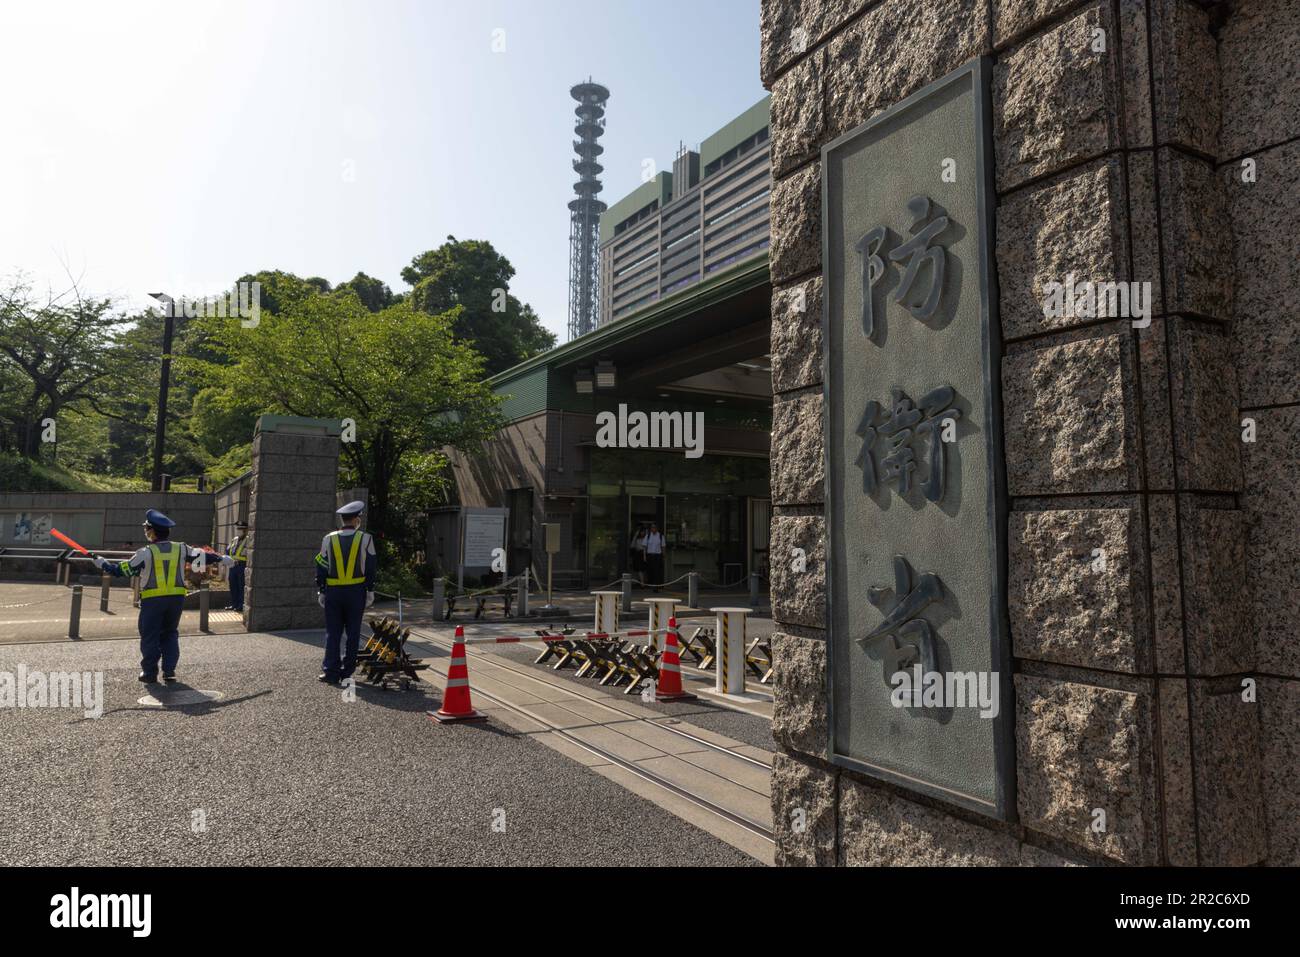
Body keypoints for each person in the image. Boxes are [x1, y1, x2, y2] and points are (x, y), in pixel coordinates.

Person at [95, 509, 234, 684]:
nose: (145, 532)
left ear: (152, 531)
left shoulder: (145, 552)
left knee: (150, 635)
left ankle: (150, 673)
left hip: (153, 600)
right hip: (176, 599)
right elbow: (202, 555)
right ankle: (169, 671)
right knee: (170, 633)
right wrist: (222, 559)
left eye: (147, 529)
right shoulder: (181, 548)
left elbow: (122, 570)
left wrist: (103, 563)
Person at [314, 500, 377, 686]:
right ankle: (347, 672)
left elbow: (321, 566)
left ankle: (330, 672)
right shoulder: (366, 538)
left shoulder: (328, 538)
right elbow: (372, 567)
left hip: (333, 591)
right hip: (356, 592)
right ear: (357, 519)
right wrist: (370, 590)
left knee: (333, 632)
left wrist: (322, 590)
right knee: (353, 632)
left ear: (342, 519)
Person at [225, 520, 250, 612]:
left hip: (242, 566)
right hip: (233, 566)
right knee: (233, 585)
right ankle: (234, 604)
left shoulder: (249, 539)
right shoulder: (234, 539)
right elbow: (228, 550)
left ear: (245, 530)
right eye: (237, 528)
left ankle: (241, 605)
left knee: (241, 585)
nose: (238, 530)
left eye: (241, 529)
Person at [644, 523, 665, 592]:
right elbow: (645, 547)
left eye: (655, 527)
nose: (653, 529)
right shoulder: (648, 536)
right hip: (650, 555)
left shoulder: (661, 536)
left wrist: (663, 556)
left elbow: (663, 547)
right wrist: (644, 556)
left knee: (656, 571)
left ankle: (655, 586)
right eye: (652, 527)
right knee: (650, 571)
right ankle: (650, 584)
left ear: (657, 528)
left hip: (657, 556)